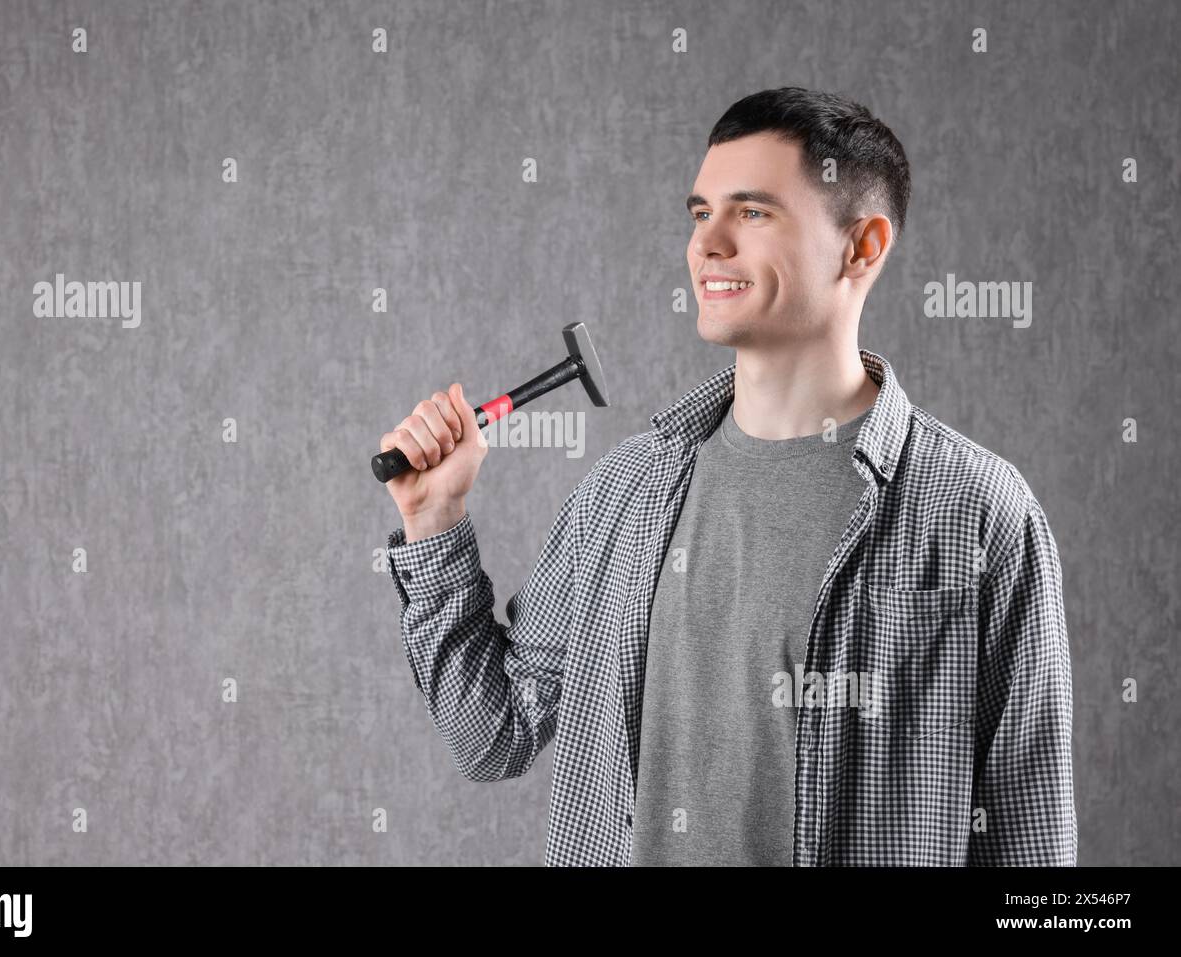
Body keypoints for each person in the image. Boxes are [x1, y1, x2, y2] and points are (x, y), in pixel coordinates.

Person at [378, 87, 1076, 867]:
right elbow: (495, 737)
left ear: (862, 246)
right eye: (698, 212)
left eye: (751, 213)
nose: (706, 244)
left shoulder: (978, 512)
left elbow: (1027, 836)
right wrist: (434, 520)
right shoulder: (622, 494)